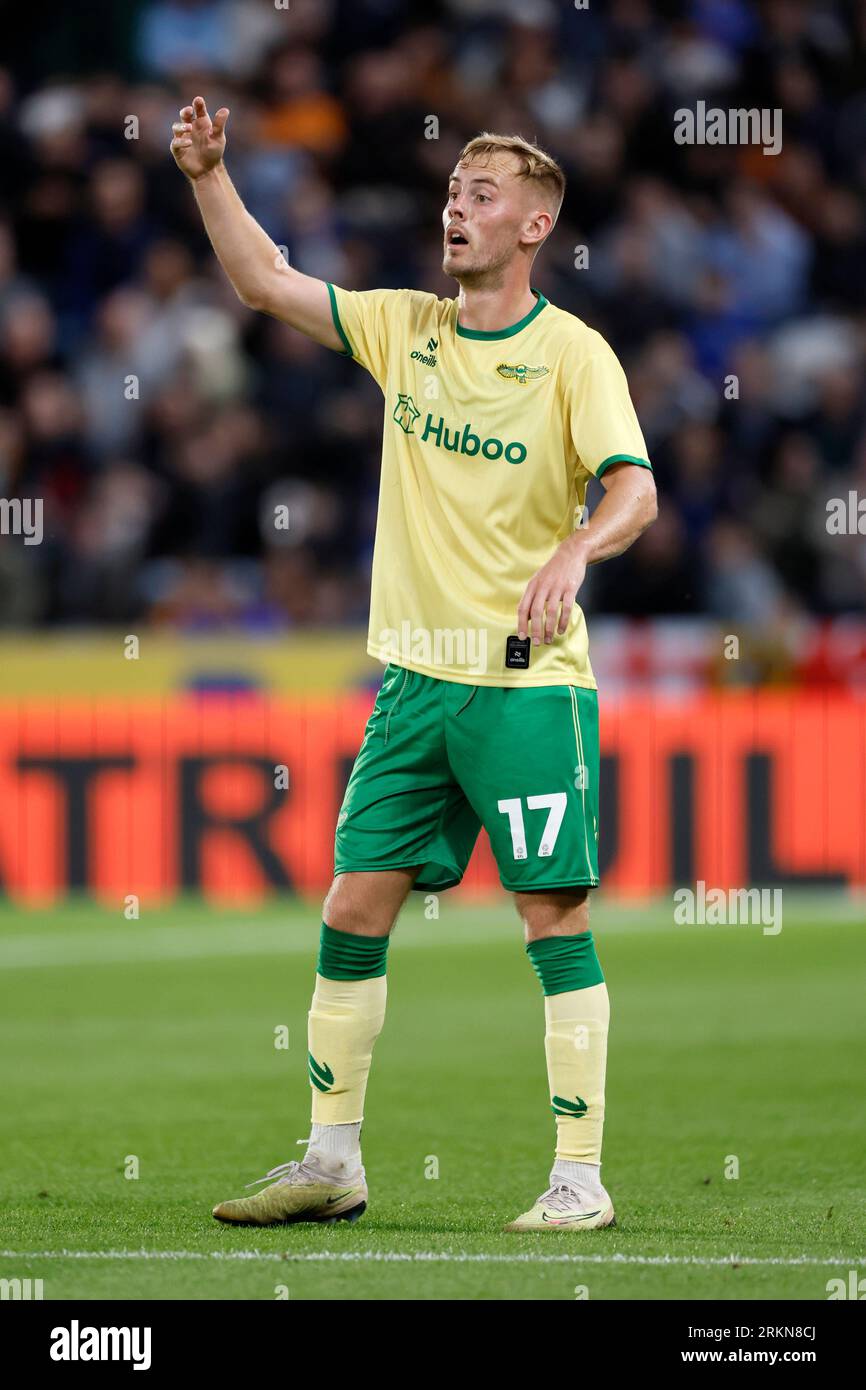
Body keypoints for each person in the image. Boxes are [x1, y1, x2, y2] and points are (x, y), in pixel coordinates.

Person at [171, 97, 657, 1232]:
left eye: (480, 195)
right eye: (451, 191)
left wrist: (577, 546)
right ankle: (332, 1161)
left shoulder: (571, 354)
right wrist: (206, 176)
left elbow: (634, 486)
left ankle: (577, 1178)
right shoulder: (405, 328)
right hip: (411, 684)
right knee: (353, 902)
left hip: (526, 686)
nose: (455, 207)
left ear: (533, 224)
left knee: (550, 915)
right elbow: (264, 282)